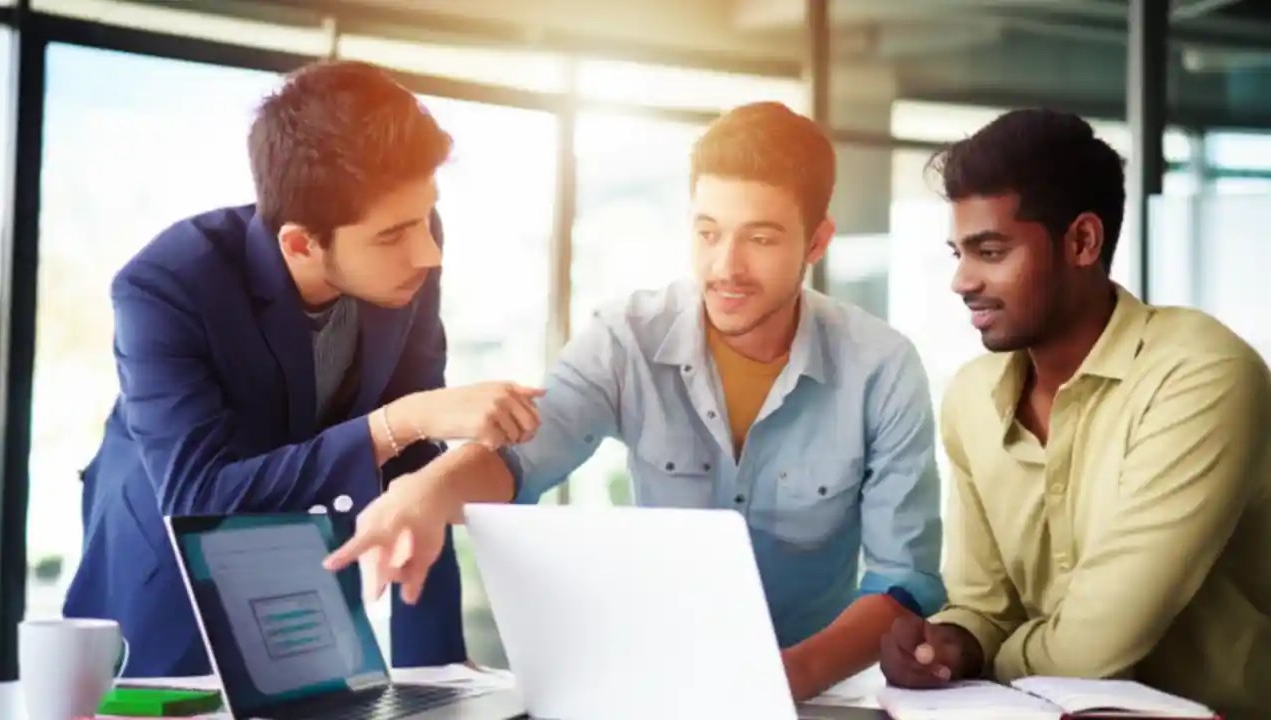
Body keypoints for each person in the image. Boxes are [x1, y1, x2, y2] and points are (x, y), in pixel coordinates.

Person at [325, 101, 946, 700]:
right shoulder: (628, 339)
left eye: (760, 238)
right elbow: (518, 459)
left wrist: (789, 679)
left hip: (817, 696)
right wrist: (421, 497)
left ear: (817, 242)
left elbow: (903, 578)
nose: (725, 267)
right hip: (656, 688)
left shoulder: (881, 368)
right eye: (708, 232)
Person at [64, 60, 543, 677]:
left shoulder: (407, 250)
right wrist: (400, 419)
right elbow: (197, 496)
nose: (426, 250)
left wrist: (438, 665)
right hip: (165, 587)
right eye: (394, 233)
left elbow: (415, 471)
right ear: (299, 244)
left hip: (306, 589)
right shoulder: (167, 284)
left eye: (426, 217)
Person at [878, 108, 1271, 719]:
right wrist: (947, 644)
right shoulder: (971, 398)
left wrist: (988, 655)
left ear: (1083, 241)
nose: (962, 280)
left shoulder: (1201, 376)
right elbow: (983, 605)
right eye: (959, 252)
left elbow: (1094, 648)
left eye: (990, 250)